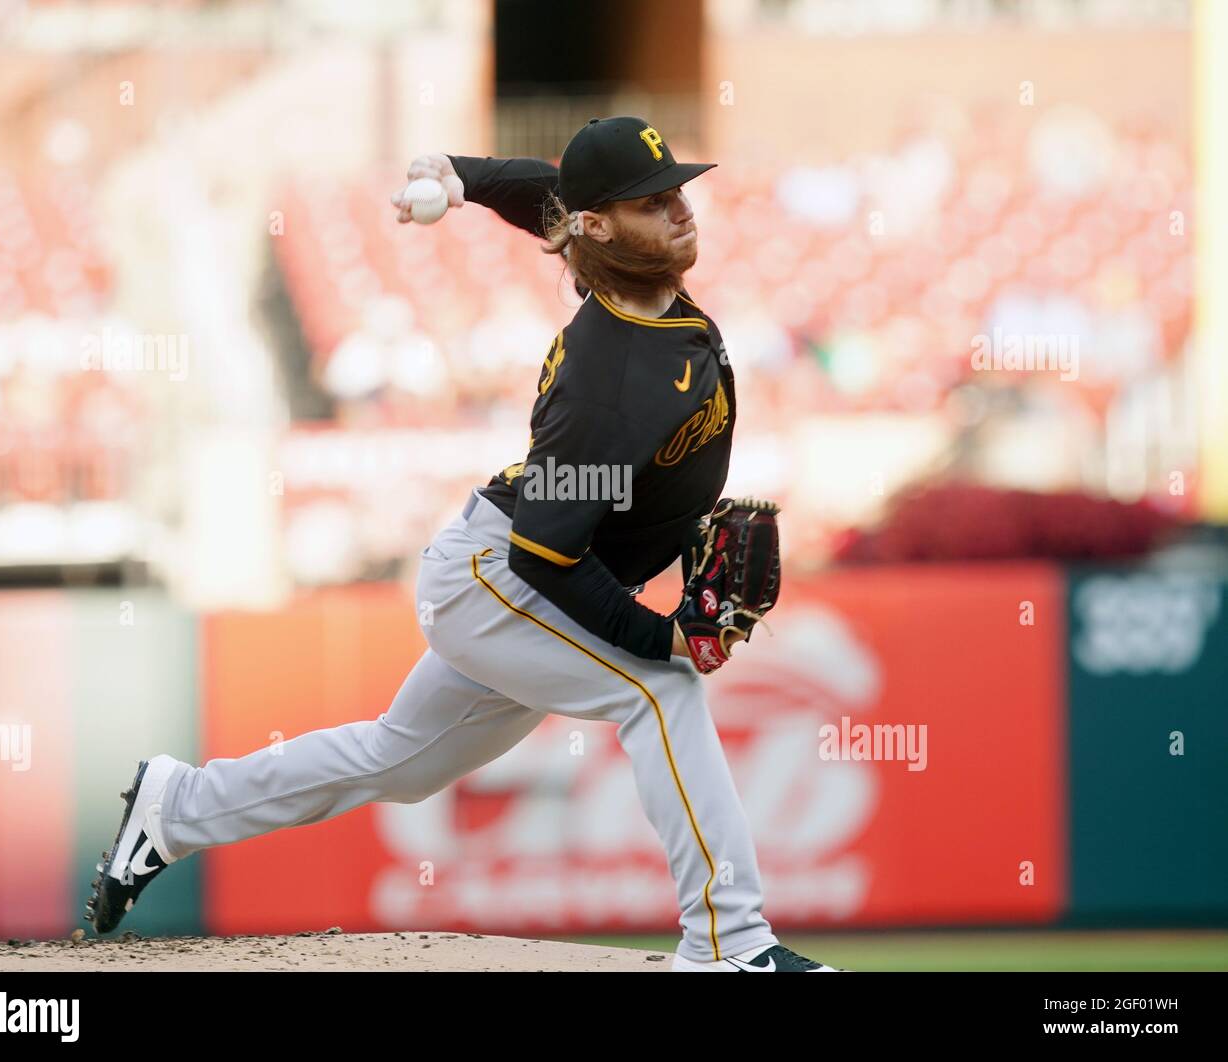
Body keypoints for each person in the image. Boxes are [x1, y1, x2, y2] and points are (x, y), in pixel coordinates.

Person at [86, 117, 836, 973]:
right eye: (651, 201)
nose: (678, 210)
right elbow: (545, 556)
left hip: (512, 573)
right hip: (501, 581)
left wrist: (464, 176)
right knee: (660, 694)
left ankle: (175, 807)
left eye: (676, 191)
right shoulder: (608, 375)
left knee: (397, 762)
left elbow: (545, 196)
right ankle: (731, 946)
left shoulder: (626, 271)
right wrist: (656, 636)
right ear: (600, 226)